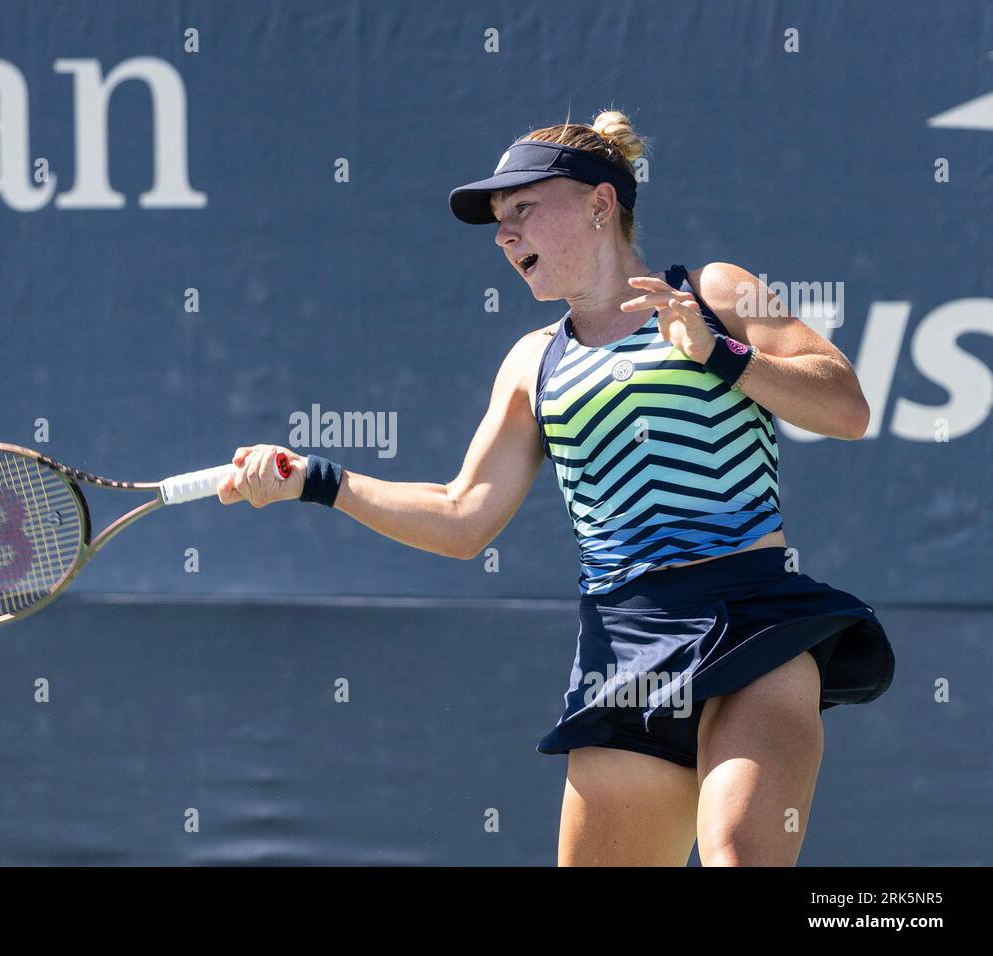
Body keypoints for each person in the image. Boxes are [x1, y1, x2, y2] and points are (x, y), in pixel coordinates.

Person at [216, 109, 895, 866]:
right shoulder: (529, 364)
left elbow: (847, 406)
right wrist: (317, 480)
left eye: (523, 210)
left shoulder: (718, 291)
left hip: (756, 621)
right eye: (499, 223)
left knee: (740, 853)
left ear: (601, 204)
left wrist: (723, 354)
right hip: (625, 647)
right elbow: (462, 516)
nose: (506, 236)